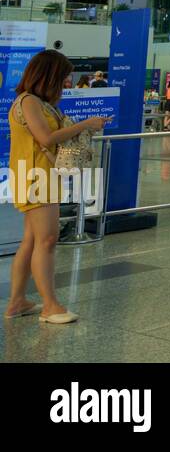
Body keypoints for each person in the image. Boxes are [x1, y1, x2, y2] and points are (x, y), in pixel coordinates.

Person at [4, 50, 111, 325]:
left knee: (32, 239)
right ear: (48, 75)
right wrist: (86, 124)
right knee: (47, 240)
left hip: (38, 174)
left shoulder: (37, 102)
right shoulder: (29, 101)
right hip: (35, 175)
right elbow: (46, 137)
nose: (66, 82)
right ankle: (49, 305)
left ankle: (17, 301)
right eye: (63, 77)